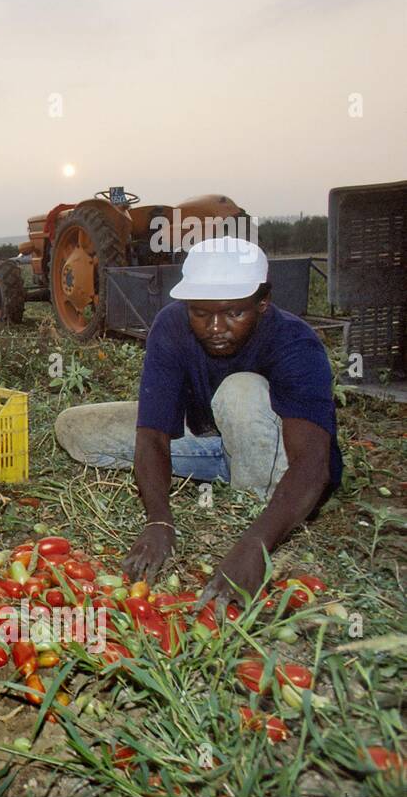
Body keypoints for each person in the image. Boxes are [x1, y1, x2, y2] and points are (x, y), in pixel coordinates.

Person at [53, 237, 342, 613]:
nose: (215, 327)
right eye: (201, 313)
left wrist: (253, 547)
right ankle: (224, 471)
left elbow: (312, 463)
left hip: (281, 454)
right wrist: (160, 521)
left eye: (234, 313)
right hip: (210, 439)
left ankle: (256, 505)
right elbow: (153, 432)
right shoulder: (171, 326)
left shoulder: (295, 341)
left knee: (240, 391)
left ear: (263, 302)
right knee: (74, 427)